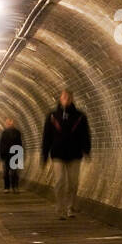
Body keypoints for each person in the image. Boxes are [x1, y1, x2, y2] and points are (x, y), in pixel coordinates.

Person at [40, 89, 90, 219]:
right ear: (60, 99)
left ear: (72, 99)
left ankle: (70, 207)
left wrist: (86, 150)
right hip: (58, 154)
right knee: (60, 181)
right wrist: (44, 155)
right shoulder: (52, 116)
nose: (66, 99)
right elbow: (47, 137)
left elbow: (85, 134)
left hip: (74, 153)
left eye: (68, 97)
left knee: (73, 182)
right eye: (64, 97)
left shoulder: (80, 116)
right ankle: (61, 208)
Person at [0, 118, 23, 192]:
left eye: (10, 122)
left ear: (13, 123)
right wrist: (2, 154)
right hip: (6, 154)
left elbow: (19, 143)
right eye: (8, 122)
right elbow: (1, 144)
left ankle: (15, 187)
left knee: (14, 172)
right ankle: (7, 187)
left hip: (15, 154)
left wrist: (20, 155)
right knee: (6, 172)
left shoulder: (17, 132)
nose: (9, 123)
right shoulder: (4, 133)